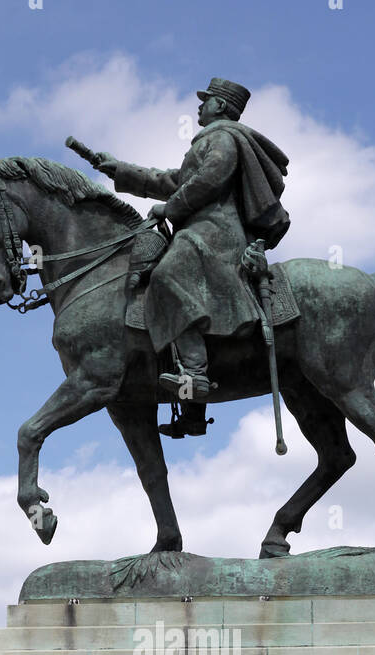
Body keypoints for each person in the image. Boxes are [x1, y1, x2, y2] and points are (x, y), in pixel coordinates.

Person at [95, 78, 290, 415]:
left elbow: (209, 180)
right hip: (200, 229)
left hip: (214, 233)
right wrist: (121, 171)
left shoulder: (223, 137)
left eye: (206, 100)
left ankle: (195, 373)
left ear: (221, 106)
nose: (200, 106)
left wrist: (169, 208)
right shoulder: (210, 140)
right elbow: (175, 181)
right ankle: (190, 405)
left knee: (166, 275)